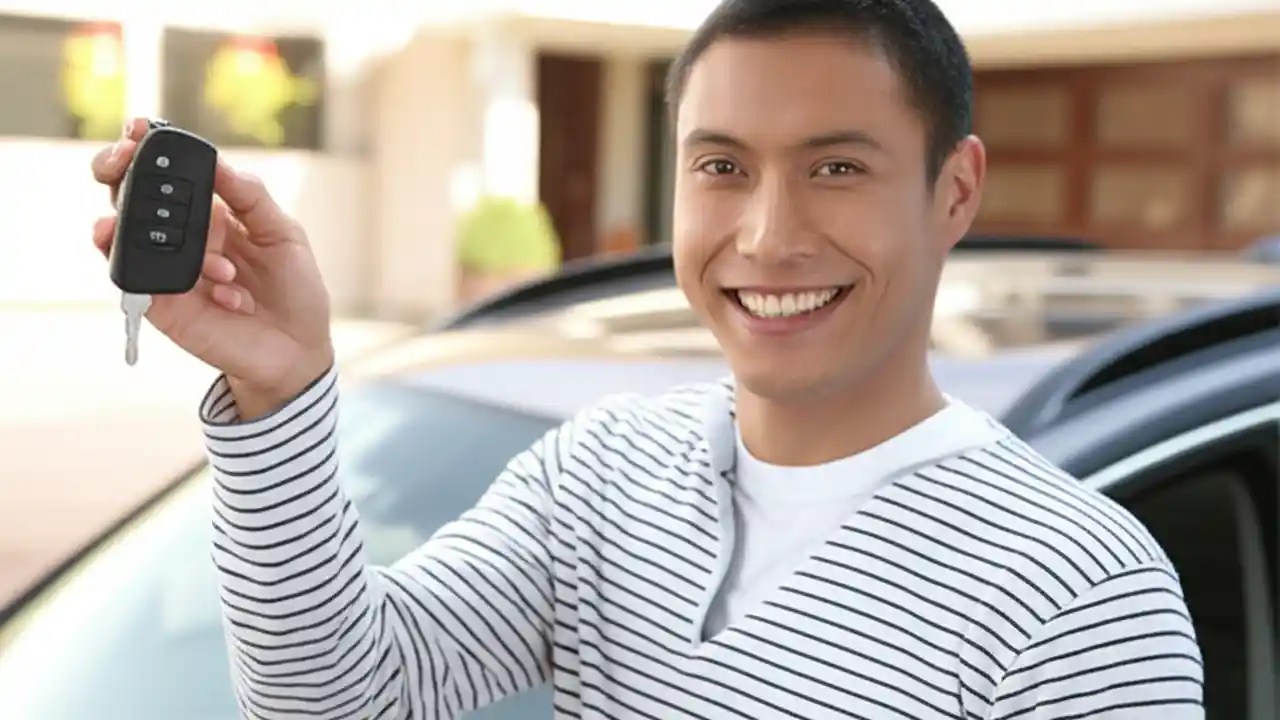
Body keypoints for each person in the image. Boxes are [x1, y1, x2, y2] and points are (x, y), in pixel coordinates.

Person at [91, 1, 1205, 717]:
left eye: (834, 170)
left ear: (953, 191)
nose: (765, 236)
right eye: (721, 167)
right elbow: (338, 695)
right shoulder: (601, 473)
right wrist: (280, 387)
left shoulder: (1082, 595)